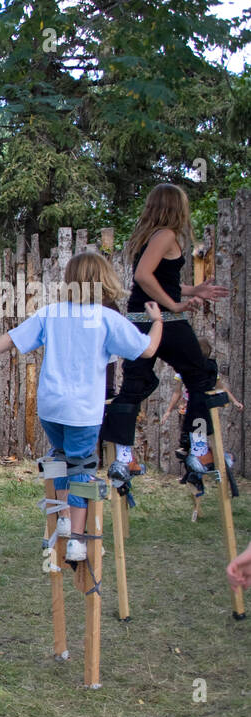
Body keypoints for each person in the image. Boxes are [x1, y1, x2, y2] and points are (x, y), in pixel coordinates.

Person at [0, 252, 163, 562]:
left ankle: (64, 519)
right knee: (81, 467)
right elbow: (147, 350)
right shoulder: (106, 317)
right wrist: (158, 321)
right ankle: (77, 541)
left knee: (61, 459)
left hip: (50, 407)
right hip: (81, 411)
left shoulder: (53, 312)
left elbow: (12, 338)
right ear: (102, 279)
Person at [101, 184, 230, 494]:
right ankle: (197, 449)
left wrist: (193, 291)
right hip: (164, 321)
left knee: (135, 384)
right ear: (176, 208)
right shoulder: (167, 235)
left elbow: (160, 280)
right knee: (200, 376)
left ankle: (123, 458)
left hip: (139, 320)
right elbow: (144, 277)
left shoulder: (149, 236)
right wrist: (172, 305)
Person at [160, 340, 242, 498]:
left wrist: (235, 401)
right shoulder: (191, 369)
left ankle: (197, 474)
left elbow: (221, 388)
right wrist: (169, 410)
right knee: (189, 441)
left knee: (198, 443)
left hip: (199, 410)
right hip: (190, 408)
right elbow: (178, 393)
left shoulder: (202, 369)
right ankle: (195, 470)